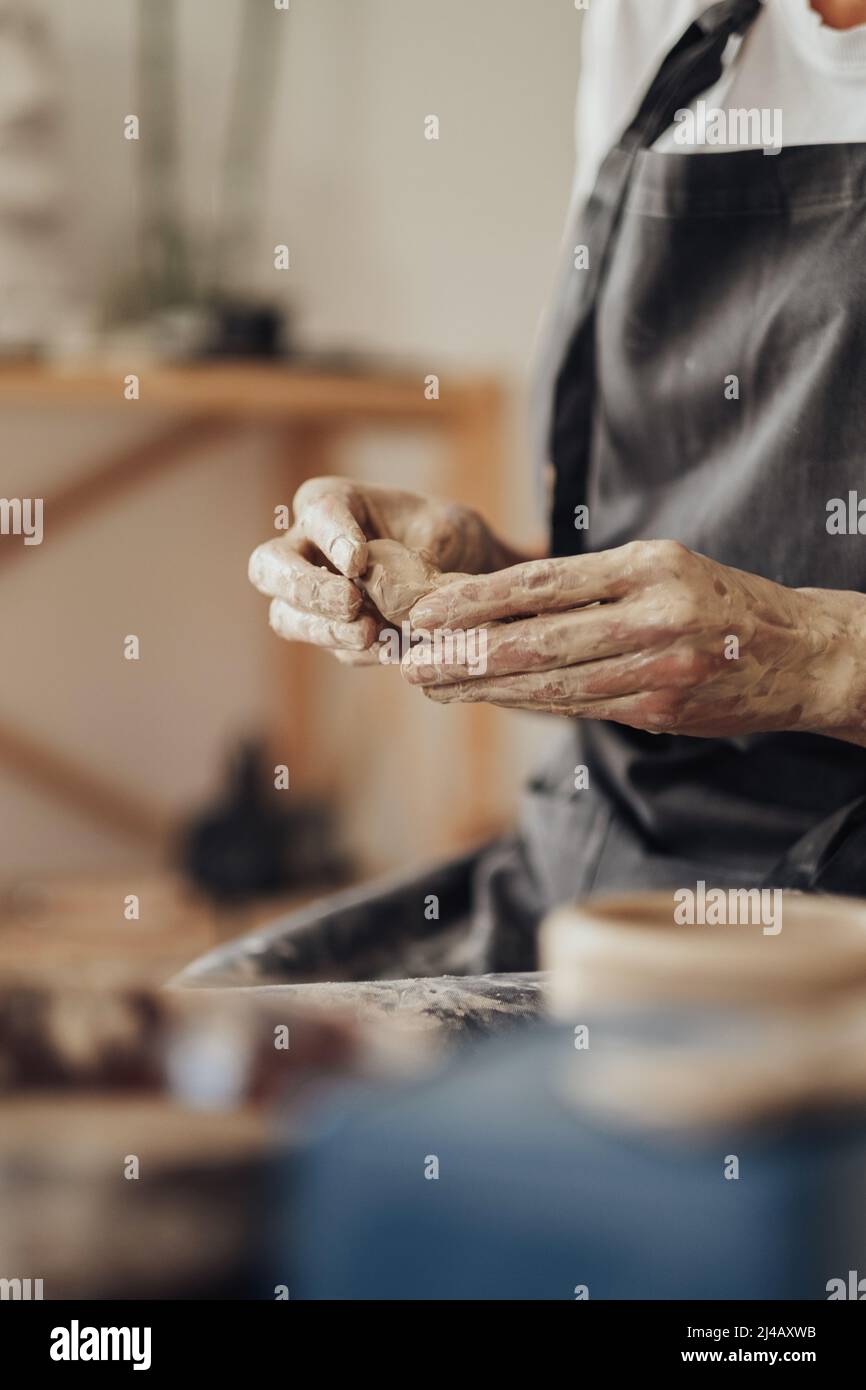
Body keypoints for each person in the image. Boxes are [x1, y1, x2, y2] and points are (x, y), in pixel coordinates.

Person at [247, 0, 866, 973]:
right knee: (181, 1061)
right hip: (587, 878)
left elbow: (734, 632)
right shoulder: (651, 23)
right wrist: (484, 574)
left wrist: (815, 658)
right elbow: (655, 608)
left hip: (832, 928)